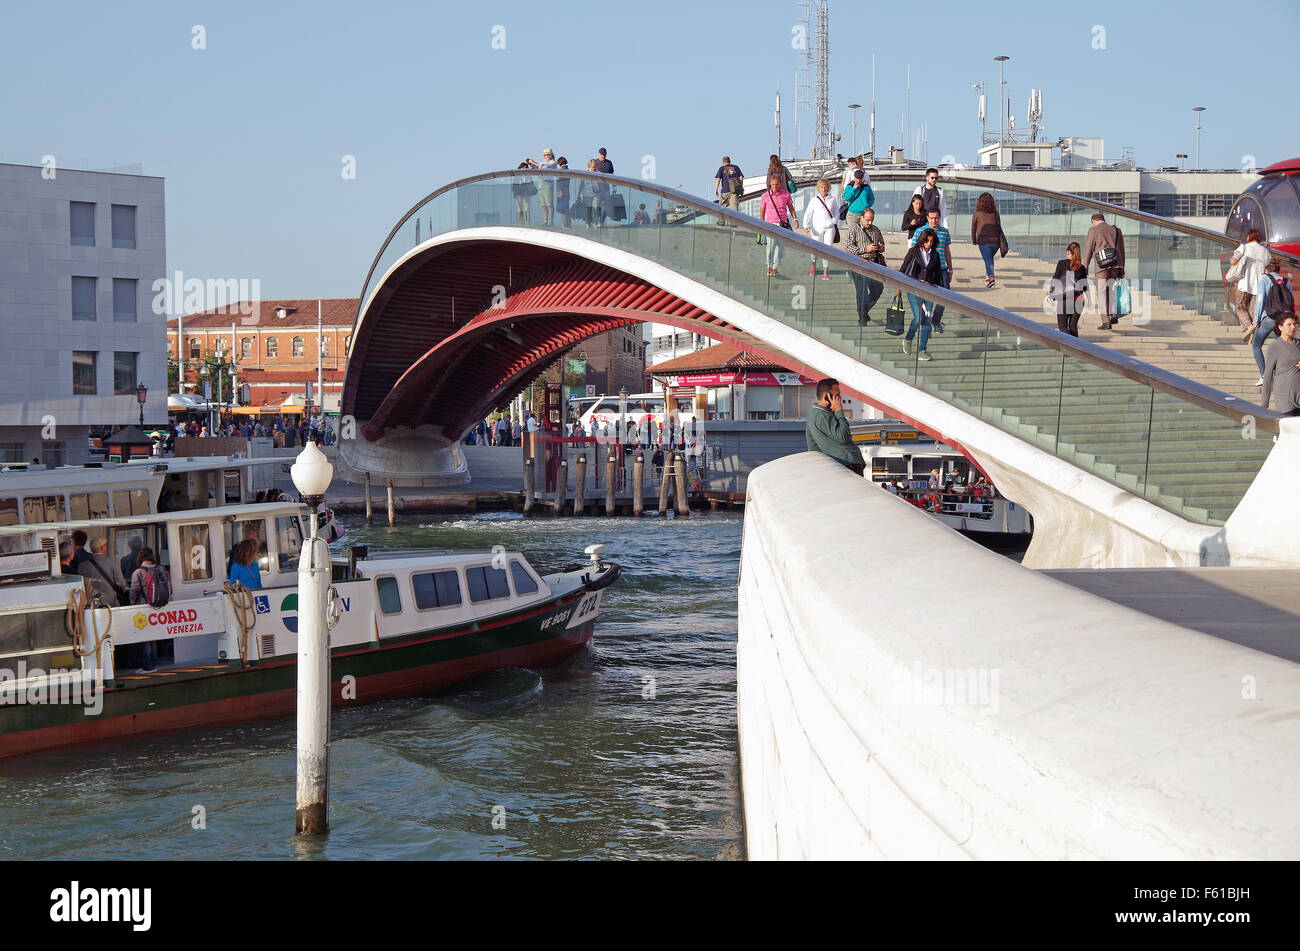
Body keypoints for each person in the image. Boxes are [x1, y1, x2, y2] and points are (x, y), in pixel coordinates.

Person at [899, 229, 943, 361]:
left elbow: (938, 275)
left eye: (931, 241)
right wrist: (899, 287)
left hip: (929, 291)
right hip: (913, 289)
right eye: (927, 241)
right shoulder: (913, 251)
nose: (929, 243)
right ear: (922, 240)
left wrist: (939, 291)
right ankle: (908, 339)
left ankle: (922, 350)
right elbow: (903, 269)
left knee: (927, 320)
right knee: (918, 318)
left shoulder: (935, 255)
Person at [1250, 258, 1296, 386]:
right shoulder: (1286, 281)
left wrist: (1256, 320)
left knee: (1256, 345)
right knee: (1282, 347)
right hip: (1284, 319)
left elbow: (1260, 300)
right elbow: (1291, 301)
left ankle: (1265, 376)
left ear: (1267, 269)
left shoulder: (1264, 278)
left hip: (1269, 317)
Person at [805, 378, 863, 475]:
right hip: (846, 465)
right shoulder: (821, 415)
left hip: (844, 465)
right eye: (837, 395)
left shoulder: (817, 414)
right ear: (826, 396)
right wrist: (839, 411)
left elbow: (812, 445)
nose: (840, 398)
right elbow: (843, 437)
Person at [1082, 213, 1125, 330]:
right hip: (1115, 264)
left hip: (1101, 266)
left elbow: (1088, 249)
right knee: (1109, 289)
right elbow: (1121, 249)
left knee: (1101, 292)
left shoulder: (1093, 230)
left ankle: (1106, 321)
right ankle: (1114, 314)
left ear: (1093, 221)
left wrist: (1084, 267)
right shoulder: (1116, 230)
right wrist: (1122, 267)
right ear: (1103, 220)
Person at [912, 208, 953, 332]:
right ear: (927, 217)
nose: (934, 220)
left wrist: (950, 268)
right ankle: (925, 323)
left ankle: (935, 319)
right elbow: (914, 250)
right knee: (927, 296)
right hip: (926, 270)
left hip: (942, 269)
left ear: (939, 217)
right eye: (931, 218)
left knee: (946, 295)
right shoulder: (920, 231)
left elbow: (947, 251)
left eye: (936, 218)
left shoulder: (944, 232)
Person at [843, 207, 886, 324]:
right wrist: (865, 249)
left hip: (874, 264)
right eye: (867, 220)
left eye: (871, 220)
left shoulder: (876, 230)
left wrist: (881, 247)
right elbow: (847, 246)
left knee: (878, 289)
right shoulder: (854, 230)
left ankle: (863, 310)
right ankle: (862, 318)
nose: (870, 222)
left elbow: (883, 245)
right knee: (862, 292)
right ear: (862, 218)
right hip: (859, 264)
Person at [128, 548, 167, 671]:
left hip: (143, 607)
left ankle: (147, 667)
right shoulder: (160, 569)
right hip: (158, 606)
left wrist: (132, 602)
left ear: (140, 558)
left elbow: (134, 590)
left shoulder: (138, 572)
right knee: (153, 636)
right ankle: (153, 665)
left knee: (145, 637)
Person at [1230, 229, 1271, 339]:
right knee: (1253, 312)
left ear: (1249, 237)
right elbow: (1268, 269)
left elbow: (1233, 261)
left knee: (1240, 308)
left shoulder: (1244, 247)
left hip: (1244, 284)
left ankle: (1249, 327)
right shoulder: (1265, 252)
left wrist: (1237, 260)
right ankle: (1253, 334)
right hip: (1259, 287)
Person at [1046, 242, 1089, 337]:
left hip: (1065, 298)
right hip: (1079, 300)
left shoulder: (1062, 263)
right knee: (1073, 327)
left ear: (1068, 251)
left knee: (1063, 327)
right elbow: (1085, 286)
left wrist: (1051, 291)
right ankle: (1076, 348)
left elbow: (1055, 279)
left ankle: (1071, 348)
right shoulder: (1082, 268)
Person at [759, 175, 798, 276]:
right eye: (773, 185)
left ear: (780, 184)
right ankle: (769, 267)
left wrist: (795, 219)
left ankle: (775, 267)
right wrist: (761, 223)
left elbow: (791, 208)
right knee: (770, 247)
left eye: (777, 185)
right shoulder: (765, 196)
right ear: (770, 185)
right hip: (770, 224)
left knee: (780, 248)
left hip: (782, 224)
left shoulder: (785, 194)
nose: (775, 187)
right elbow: (762, 211)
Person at [1261, 313, 1300, 415]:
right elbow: (1268, 376)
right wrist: (1264, 405)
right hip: (1285, 400)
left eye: (1294, 324)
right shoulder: (1274, 347)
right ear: (1280, 327)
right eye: (1289, 324)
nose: (1293, 327)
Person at [805, 179, 840, 279]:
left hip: (830, 228)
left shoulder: (832, 199)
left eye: (825, 187)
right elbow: (808, 213)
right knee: (815, 248)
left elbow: (837, 212)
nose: (823, 189)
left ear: (828, 188)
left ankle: (825, 272)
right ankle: (813, 266)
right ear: (818, 188)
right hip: (817, 228)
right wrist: (806, 225)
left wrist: (834, 221)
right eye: (821, 187)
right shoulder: (814, 200)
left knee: (827, 249)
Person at [970, 192, 1006, 288]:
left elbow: (973, 229)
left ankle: (991, 279)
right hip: (996, 242)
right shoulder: (995, 213)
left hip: (984, 242)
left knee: (988, 260)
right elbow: (999, 226)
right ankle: (987, 278)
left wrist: (974, 240)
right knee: (989, 259)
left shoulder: (976, 214)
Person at [525, 148, 558, 225]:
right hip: (541, 184)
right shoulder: (542, 163)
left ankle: (551, 221)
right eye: (544, 155)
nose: (545, 156)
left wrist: (533, 162)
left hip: (548, 184)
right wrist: (531, 164)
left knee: (549, 204)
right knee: (543, 204)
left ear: (551, 155)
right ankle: (545, 220)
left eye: (546, 154)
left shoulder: (553, 163)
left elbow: (543, 166)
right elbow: (537, 168)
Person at [555, 156, 572, 227]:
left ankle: (565, 224)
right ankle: (567, 223)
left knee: (563, 209)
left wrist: (560, 191)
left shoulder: (564, 169)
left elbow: (562, 181)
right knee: (565, 209)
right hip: (565, 192)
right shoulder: (566, 169)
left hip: (563, 192)